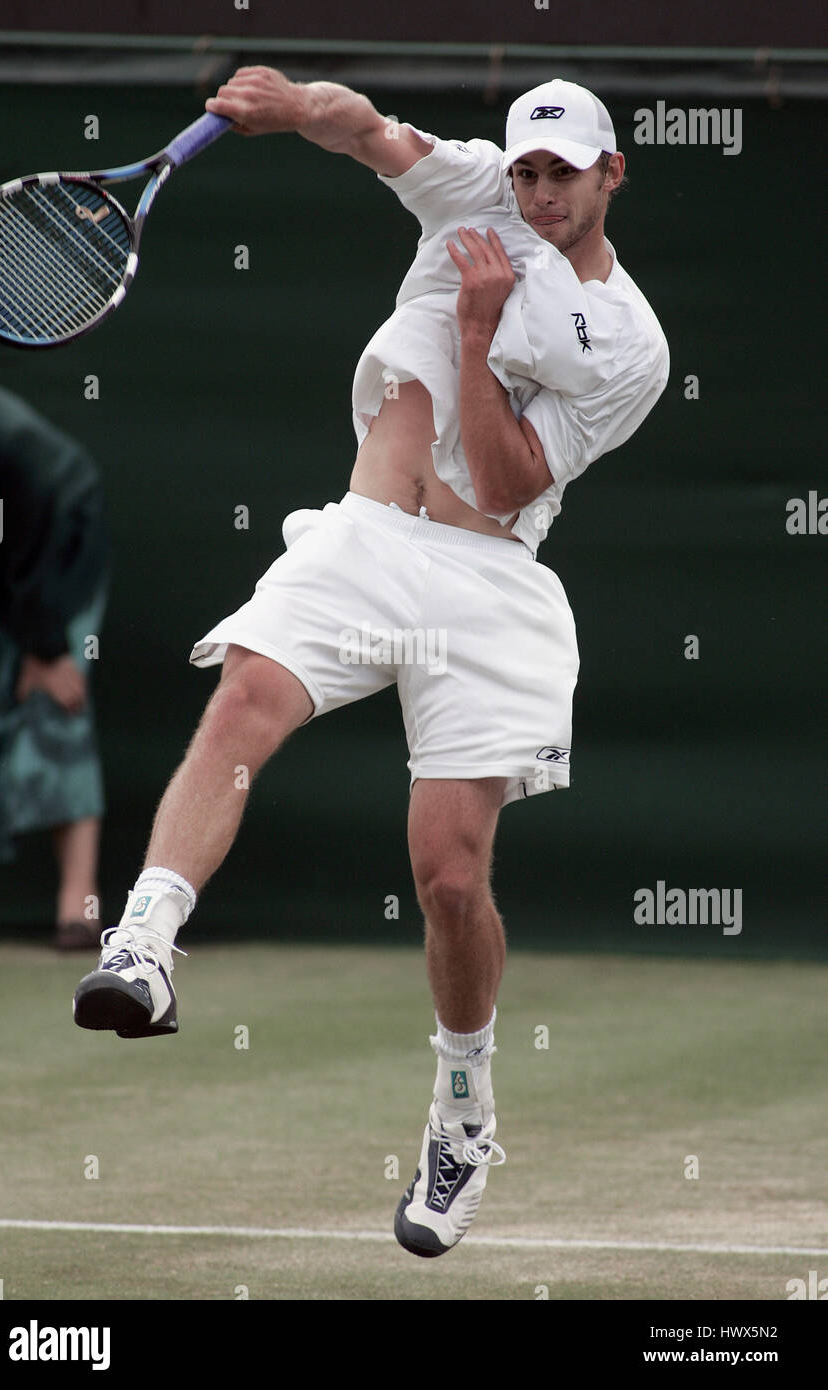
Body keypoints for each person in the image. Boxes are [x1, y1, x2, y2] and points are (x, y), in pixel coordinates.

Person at [72, 69, 669, 1257]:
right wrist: (287, 101)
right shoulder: (472, 193)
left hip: (487, 581)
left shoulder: (633, 346)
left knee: (447, 876)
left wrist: (480, 330)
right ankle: (142, 943)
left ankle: (461, 1114)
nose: (538, 190)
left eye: (563, 170)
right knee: (244, 691)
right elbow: (365, 132)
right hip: (361, 537)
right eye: (526, 169)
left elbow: (503, 484)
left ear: (611, 174)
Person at [0, 333, 108, 950]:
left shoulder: (13, 447)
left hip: (59, 564)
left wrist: (44, 651)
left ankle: (79, 906)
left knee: (56, 711)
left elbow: (35, 549)